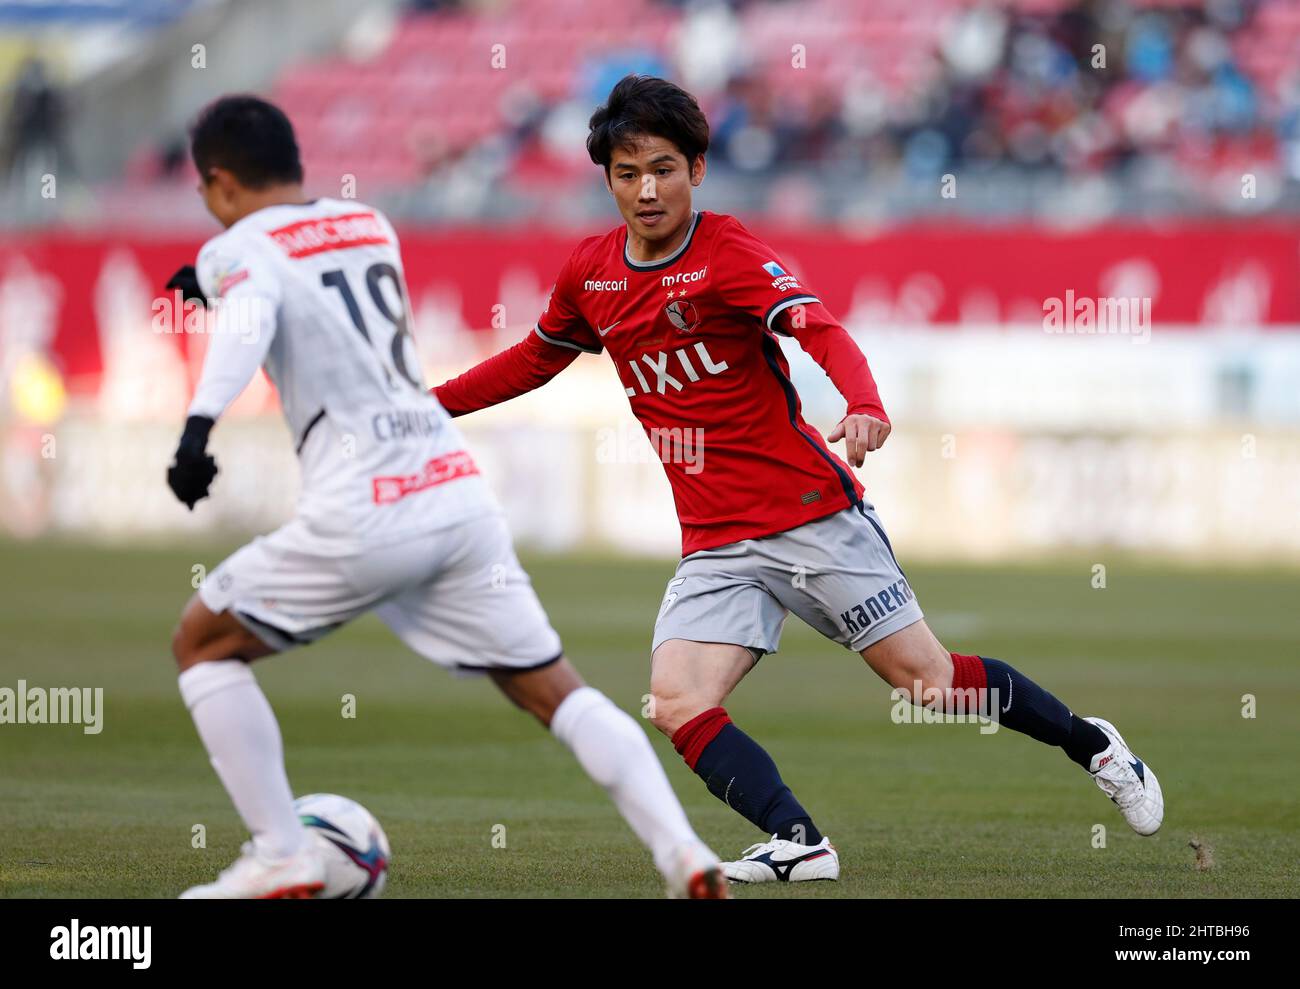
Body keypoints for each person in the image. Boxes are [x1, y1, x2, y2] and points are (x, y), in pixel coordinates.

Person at [433, 75, 1164, 884]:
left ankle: (1092, 743)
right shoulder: (590, 273)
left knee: (927, 683)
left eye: (665, 168)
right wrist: (427, 407)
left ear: (698, 169)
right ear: (606, 178)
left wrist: (864, 402)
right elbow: (536, 359)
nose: (647, 190)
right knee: (676, 701)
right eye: (628, 172)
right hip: (715, 537)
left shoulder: (729, 253)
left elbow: (818, 327)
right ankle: (800, 839)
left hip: (809, 514)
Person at [164, 94, 726, 899]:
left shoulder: (237, 246)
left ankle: (281, 850)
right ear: (296, 163)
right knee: (558, 691)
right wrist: (221, 274)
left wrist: (196, 431)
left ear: (216, 185)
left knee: (202, 645)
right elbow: (306, 284)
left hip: (365, 507)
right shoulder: (369, 225)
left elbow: (252, 310)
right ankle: (684, 854)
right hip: (455, 495)